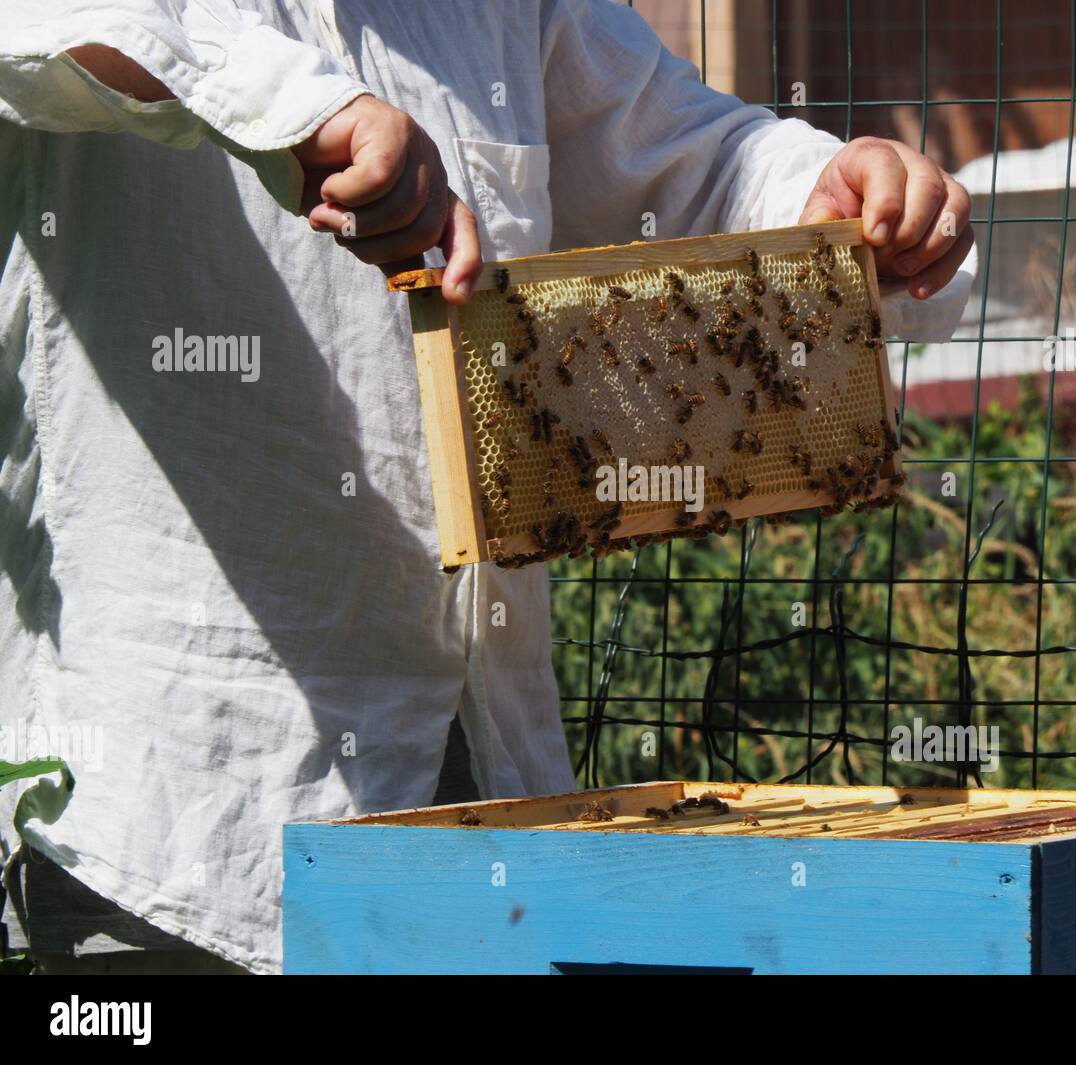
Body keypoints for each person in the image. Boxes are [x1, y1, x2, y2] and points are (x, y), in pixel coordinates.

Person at [0, 0, 976, 974]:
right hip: (184, 811)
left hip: (476, 771)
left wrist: (837, 196)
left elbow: (683, 161)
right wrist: (308, 114)